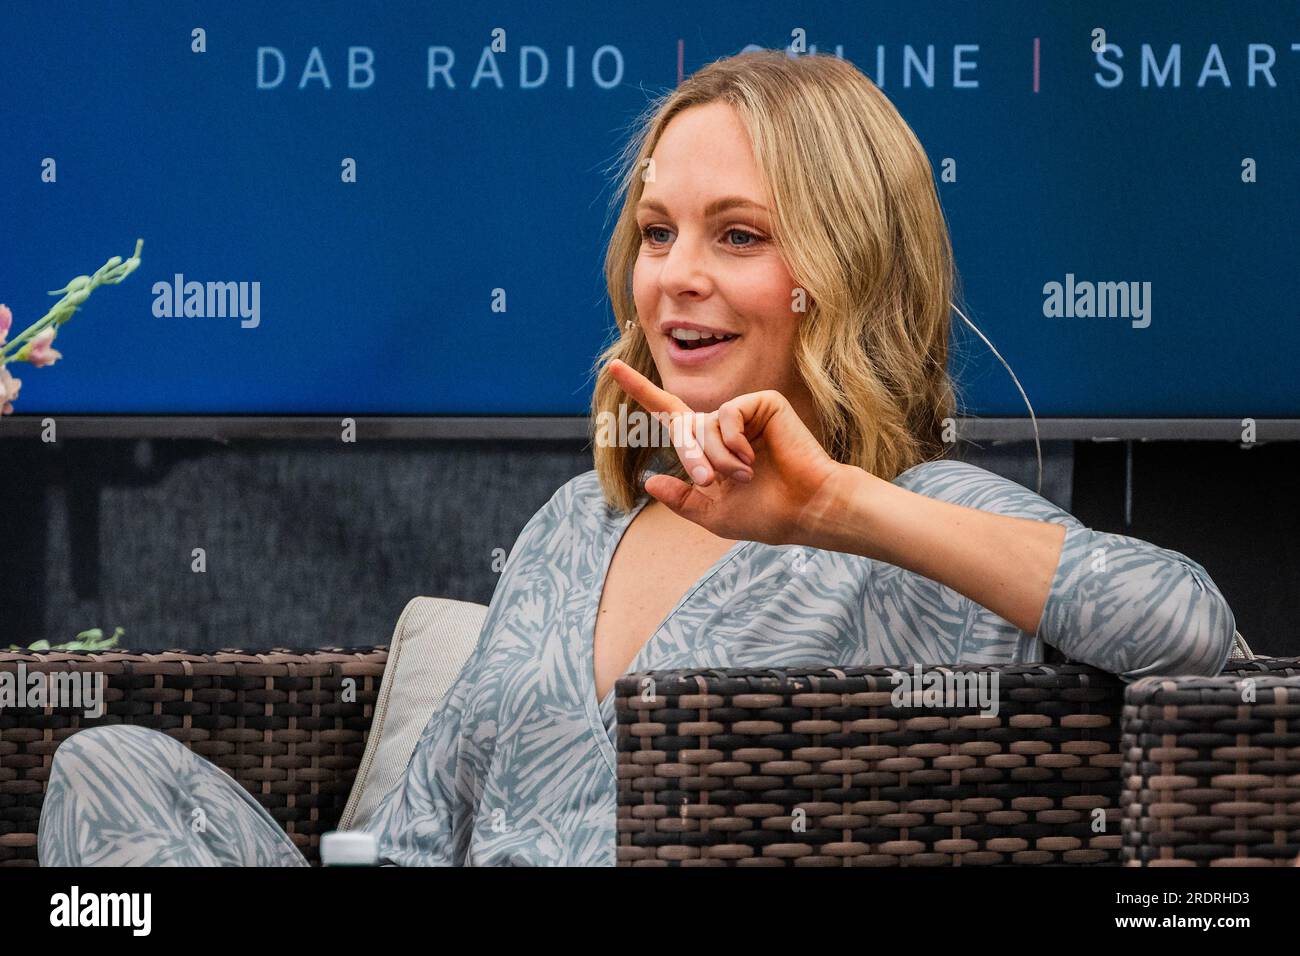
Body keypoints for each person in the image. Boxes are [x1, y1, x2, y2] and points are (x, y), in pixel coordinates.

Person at [37, 50, 1235, 867]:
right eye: (657, 231)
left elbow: (1189, 632)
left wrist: (838, 504)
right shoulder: (576, 521)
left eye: (740, 235)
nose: (676, 275)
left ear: (843, 267)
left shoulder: (913, 517)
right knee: (109, 763)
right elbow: (420, 830)